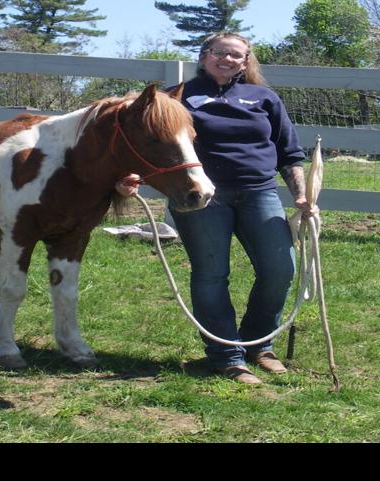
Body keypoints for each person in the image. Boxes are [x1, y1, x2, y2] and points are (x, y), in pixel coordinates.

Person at [118, 32, 312, 386]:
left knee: (280, 269)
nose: (228, 59)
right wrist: (130, 176)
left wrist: (302, 196)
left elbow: (289, 153)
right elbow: (148, 144)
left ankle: (259, 344)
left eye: (237, 55)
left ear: (246, 61)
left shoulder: (265, 98)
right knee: (211, 274)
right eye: (220, 52)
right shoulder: (176, 97)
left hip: (259, 192)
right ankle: (226, 356)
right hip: (202, 196)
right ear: (204, 55)